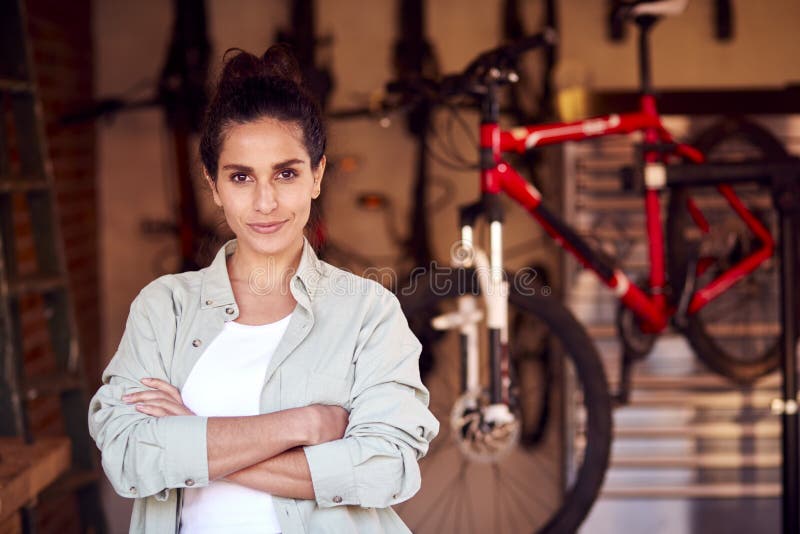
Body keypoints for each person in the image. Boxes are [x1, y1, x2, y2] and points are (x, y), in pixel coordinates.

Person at [88, 44, 439, 534]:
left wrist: (189, 439)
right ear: (213, 184)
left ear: (317, 175)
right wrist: (304, 424)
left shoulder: (367, 312)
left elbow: (386, 469)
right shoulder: (163, 308)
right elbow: (128, 458)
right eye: (240, 177)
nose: (266, 201)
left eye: (287, 173)